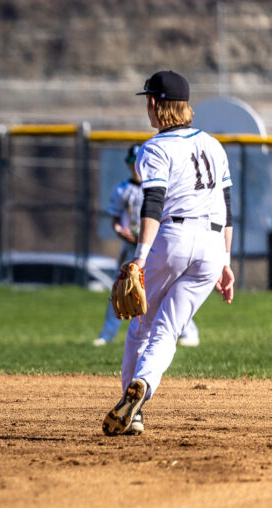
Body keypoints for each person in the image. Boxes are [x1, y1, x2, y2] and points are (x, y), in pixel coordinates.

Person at [103, 70, 234, 436]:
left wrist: (141, 256)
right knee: (169, 330)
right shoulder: (213, 144)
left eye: (148, 99)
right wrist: (225, 261)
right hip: (211, 246)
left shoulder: (155, 147)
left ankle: (136, 411)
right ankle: (144, 386)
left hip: (173, 237)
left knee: (140, 329)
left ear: (155, 104)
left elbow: (154, 203)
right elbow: (227, 206)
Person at [94, 144, 200, 348]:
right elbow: (116, 220)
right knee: (120, 291)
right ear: (128, 164)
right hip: (130, 248)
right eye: (133, 163)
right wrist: (119, 230)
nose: (136, 167)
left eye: (139, 163)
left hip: (157, 245)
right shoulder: (122, 190)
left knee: (168, 289)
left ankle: (189, 332)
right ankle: (107, 334)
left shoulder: (158, 187)